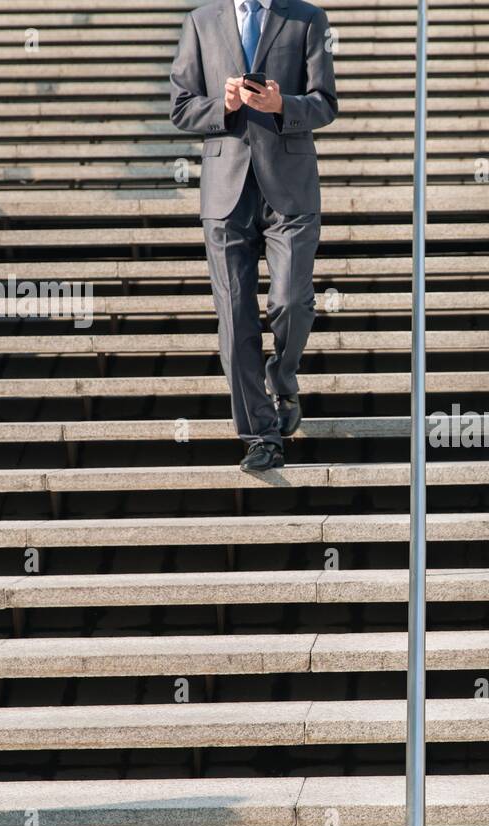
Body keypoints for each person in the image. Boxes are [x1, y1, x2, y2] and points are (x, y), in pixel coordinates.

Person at [170, 0, 338, 472]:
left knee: (289, 300)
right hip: (225, 193)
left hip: (290, 189)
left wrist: (283, 104)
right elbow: (181, 107)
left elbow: (326, 101)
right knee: (236, 319)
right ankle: (260, 435)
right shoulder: (201, 22)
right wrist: (221, 106)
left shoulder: (306, 18)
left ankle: (283, 379)